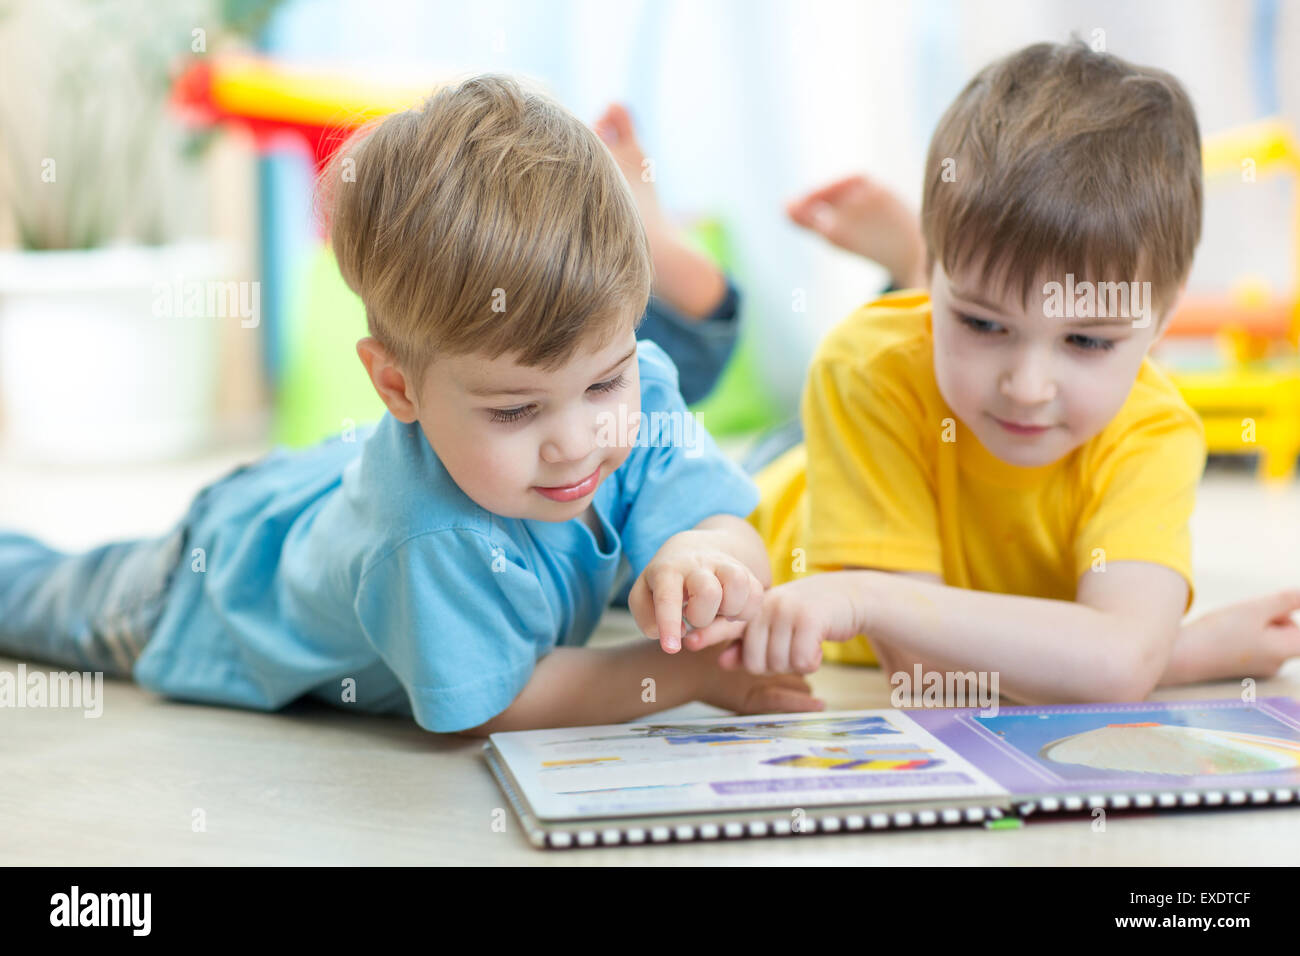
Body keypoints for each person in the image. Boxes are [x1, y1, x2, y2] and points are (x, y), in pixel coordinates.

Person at [0, 74, 823, 735]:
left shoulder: (638, 384)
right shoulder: (427, 532)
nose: (578, 442)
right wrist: (691, 674)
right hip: (198, 586)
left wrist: (708, 561)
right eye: (514, 412)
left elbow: (728, 530)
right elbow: (499, 704)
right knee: (35, 594)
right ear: (397, 386)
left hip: (315, 491)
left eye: (605, 383)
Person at [687, 41, 1300, 703]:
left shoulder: (1156, 432)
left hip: (913, 405)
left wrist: (864, 596)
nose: (1028, 387)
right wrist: (1176, 653)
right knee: (634, 548)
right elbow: (926, 675)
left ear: (1163, 317)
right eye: (984, 323)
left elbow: (1119, 657)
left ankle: (918, 278)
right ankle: (906, 275)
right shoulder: (864, 367)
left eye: (1087, 341)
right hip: (763, 493)